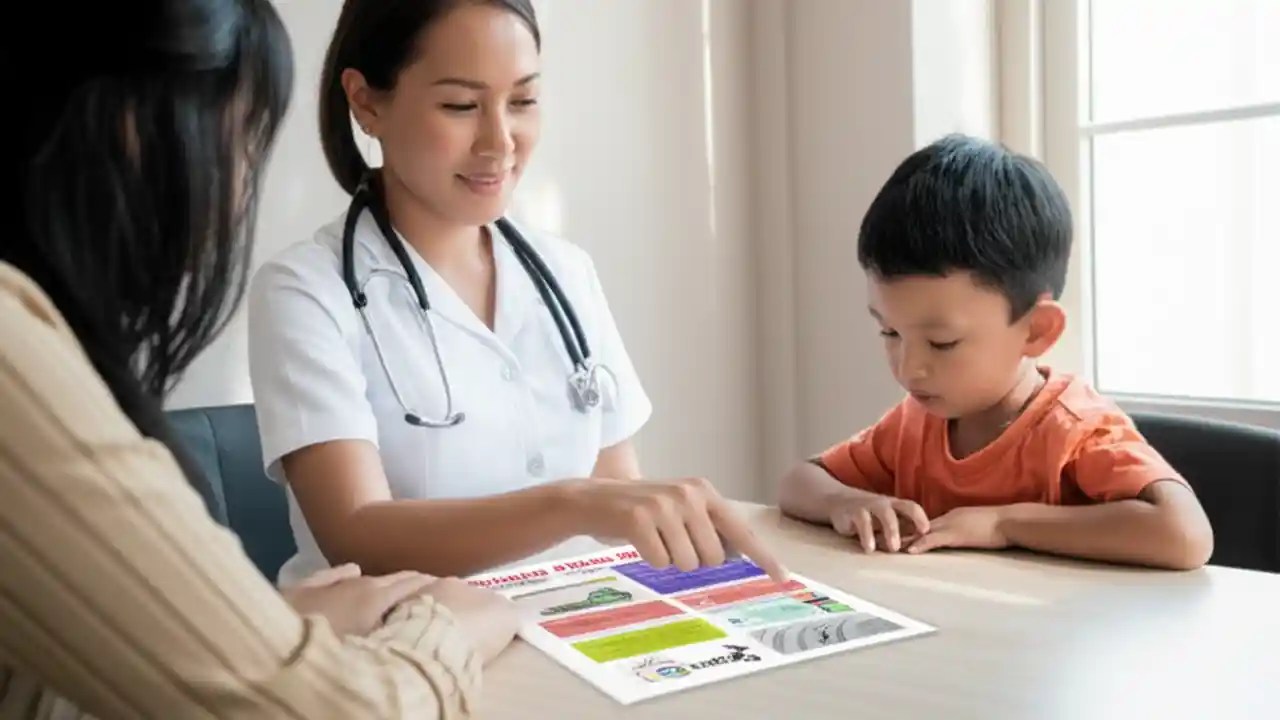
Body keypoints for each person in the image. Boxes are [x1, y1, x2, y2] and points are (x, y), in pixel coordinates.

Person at [0, 1, 519, 717]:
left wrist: (265, 625)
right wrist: (445, 628)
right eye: (242, 142)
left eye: (523, 99)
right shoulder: (13, 358)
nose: (240, 188)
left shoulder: (564, 269)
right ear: (129, 124)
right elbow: (322, 706)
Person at [246, 0, 785, 585]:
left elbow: (619, 500)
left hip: (572, 623)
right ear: (367, 102)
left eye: (523, 101)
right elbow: (357, 537)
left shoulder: (565, 273)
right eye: (460, 106)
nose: (499, 142)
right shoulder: (306, 292)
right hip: (401, 651)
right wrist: (572, 503)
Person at [777, 134, 1214, 571]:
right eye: (889, 332)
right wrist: (845, 501)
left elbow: (1185, 535)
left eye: (942, 342)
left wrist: (1004, 524)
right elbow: (799, 482)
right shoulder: (914, 424)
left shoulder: (1076, 431)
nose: (909, 369)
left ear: (1036, 331)